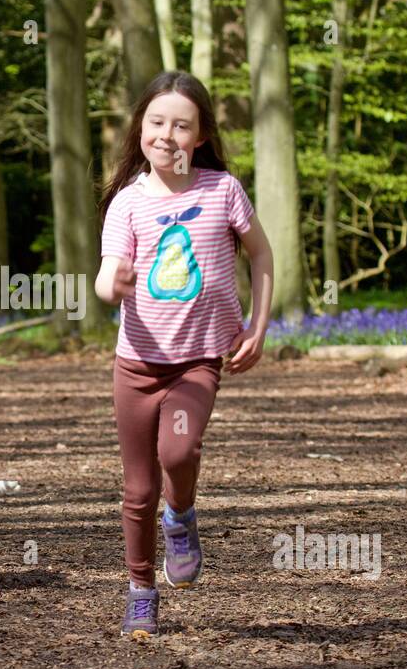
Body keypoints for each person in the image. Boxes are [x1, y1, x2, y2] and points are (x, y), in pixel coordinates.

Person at [95, 71, 275, 638]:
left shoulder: (222, 191)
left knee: (178, 451)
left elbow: (262, 256)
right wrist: (114, 283)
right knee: (138, 488)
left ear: (199, 136)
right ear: (140, 128)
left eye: (182, 124)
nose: (167, 134)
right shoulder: (127, 202)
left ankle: (182, 516)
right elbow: (103, 277)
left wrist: (259, 326)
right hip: (137, 363)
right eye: (156, 121)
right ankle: (141, 590)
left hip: (198, 359)